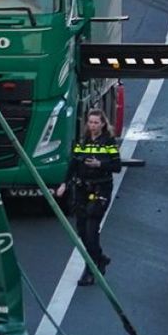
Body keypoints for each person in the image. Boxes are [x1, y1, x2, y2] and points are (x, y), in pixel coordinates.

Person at [56, 108, 121, 286]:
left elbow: (117, 166)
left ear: (102, 124)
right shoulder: (82, 142)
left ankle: (90, 270)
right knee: (82, 231)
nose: (92, 126)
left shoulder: (109, 142)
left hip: (101, 189)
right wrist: (64, 184)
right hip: (81, 190)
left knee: (92, 230)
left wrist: (100, 164)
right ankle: (99, 257)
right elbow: (74, 164)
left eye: (96, 123)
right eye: (90, 122)